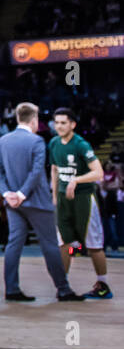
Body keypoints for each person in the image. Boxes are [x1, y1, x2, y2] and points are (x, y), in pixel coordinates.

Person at [0, 102, 80, 303]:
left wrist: (7, 194)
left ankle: (12, 289)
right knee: (49, 245)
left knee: (14, 244)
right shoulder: (37, 142)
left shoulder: (3, 141)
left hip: (13, 203)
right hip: (37, 201)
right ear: (34, 121)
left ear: (17, 118)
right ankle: (63, 289)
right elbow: (36, 171)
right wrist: (22, 194)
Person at [50, 107, 111, 300]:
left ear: (72, 124)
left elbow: (98, 173)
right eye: (56, 122)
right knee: (64, 243)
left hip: (84, 198)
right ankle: (63, 286)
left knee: (93, 245)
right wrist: (54, 193)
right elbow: (54, 169)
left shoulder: (81, 145)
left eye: (63, 123)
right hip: (63, 199)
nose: (59, 126)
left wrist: (76, 181)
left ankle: (103, 285)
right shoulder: (53, 143)